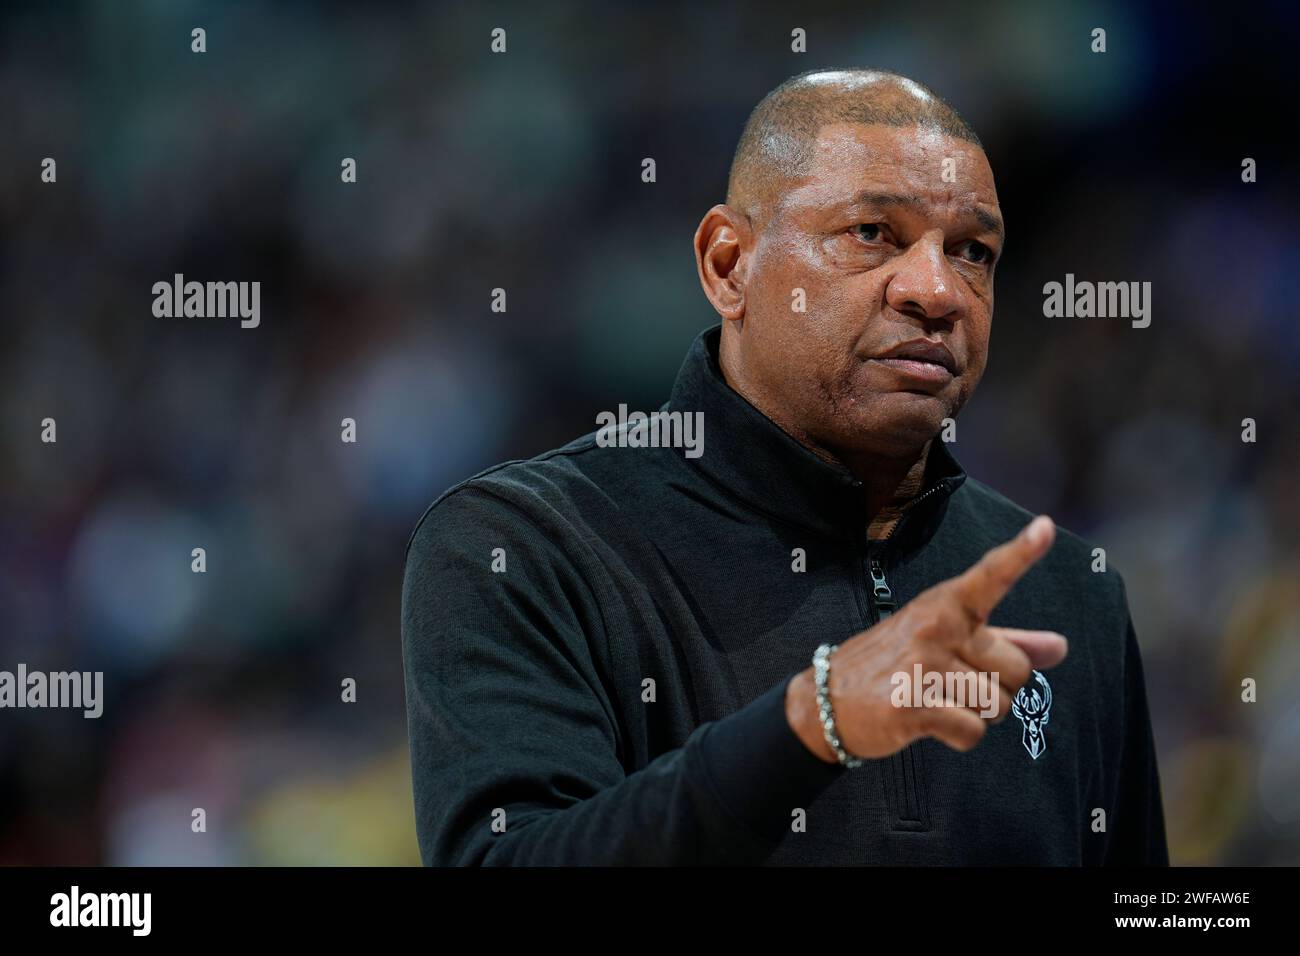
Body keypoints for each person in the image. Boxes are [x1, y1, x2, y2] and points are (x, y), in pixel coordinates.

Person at [400, 67, 1169, 865]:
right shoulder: (522, 545)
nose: (936, 290)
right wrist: (815, 721)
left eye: (973, 250)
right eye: (872, 233)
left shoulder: (1071, 592)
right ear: (729, 264)